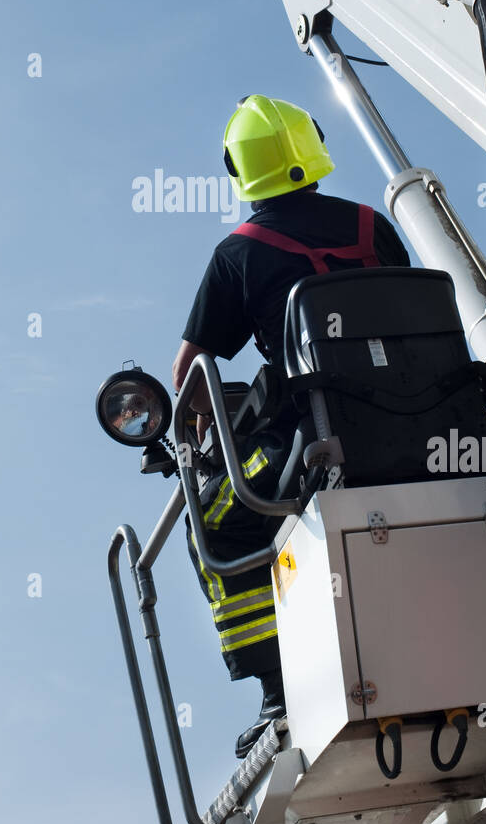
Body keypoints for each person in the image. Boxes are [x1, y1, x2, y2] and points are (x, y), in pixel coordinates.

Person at [172, 94, 410, 758]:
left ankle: (278, 691)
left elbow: (190, 376)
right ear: (311, 144)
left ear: (238, 169)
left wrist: (193, 437)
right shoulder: (372, 226)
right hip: (418, 424)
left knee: (215, 518)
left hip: (314, 441)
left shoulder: (237, 253)